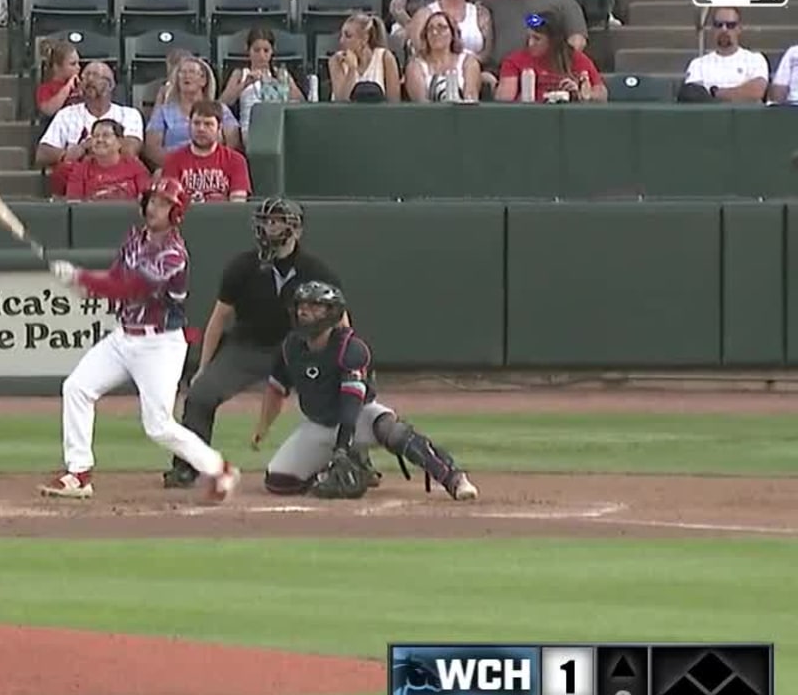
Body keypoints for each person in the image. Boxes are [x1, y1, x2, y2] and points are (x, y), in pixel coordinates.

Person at [40, 177, 242, 501]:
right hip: (123, 338)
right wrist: (87, 285)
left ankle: (219, 469)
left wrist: (82, 277)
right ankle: (78, 472)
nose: (153, 208)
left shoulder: (174, 255)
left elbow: (131, 288)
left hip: (159, 345)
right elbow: (117, 279)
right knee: (76, 388)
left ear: (176, 213)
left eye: (163, 204)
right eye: (152, 201)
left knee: (158, 425)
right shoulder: (135, 238)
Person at [163, 199, 343, 489]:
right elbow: (219, 318)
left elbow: (340, 319)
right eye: (266, 221)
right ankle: (188, 466)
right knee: (200, 395)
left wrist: (344, 358)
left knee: (345, 393)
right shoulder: (243, 266)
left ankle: (354, 458)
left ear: (295, 229)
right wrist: (203, 367)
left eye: (277, 221)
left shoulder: (314, 269)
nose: (269, 227)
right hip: (248, 345)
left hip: (298, 348)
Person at [251, 281, 479, 502]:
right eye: (302, 306)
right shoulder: (291, 347)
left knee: (393, 432)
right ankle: (339, 468)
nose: (305, 311)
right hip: (318, 424)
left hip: (359, 417)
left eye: (314, 306)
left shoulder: (351, 348)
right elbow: (276, 387)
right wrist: (263, 427)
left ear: (332, 313)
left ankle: (454, 479)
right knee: (279, 482)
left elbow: (351, 406)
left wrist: (342, 446)